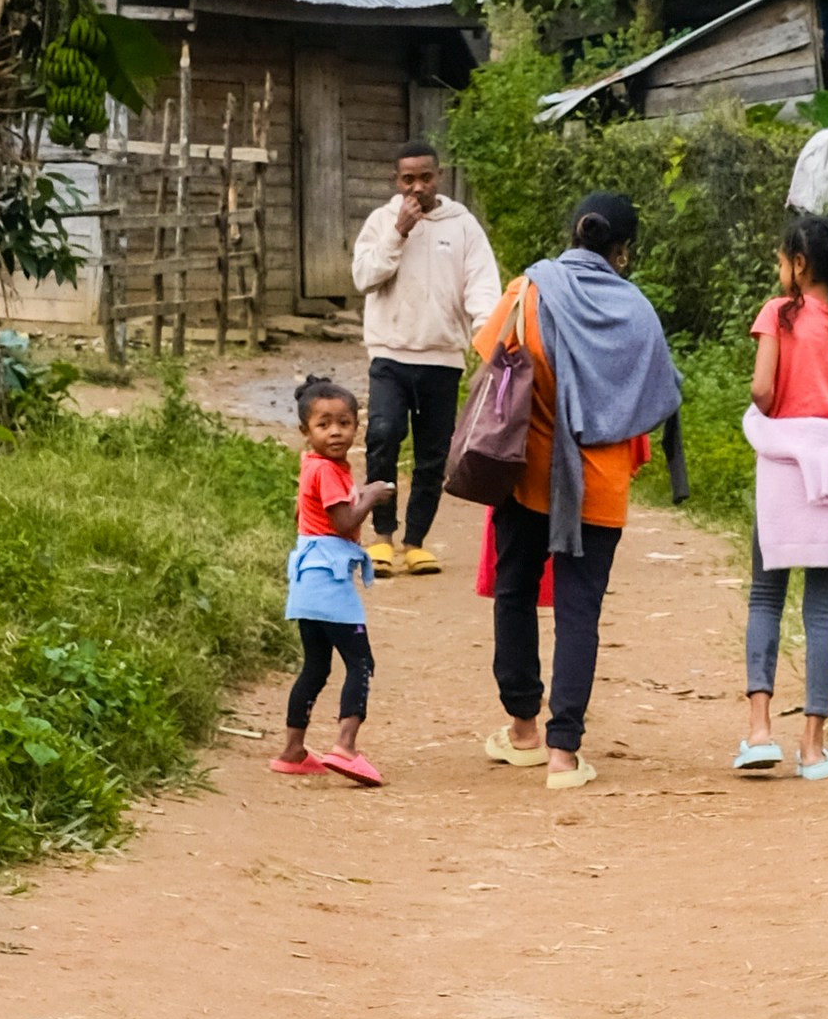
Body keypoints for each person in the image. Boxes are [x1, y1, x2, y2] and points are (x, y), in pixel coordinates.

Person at [470, 192, 686, 795]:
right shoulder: (639, 312)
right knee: (579, 612)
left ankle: (522, 732)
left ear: (573, 233)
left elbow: (489, 355)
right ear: (624, 251)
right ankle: (565, 755)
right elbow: (659, 396)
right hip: (600, 486)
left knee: (514, 593)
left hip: (525, 475)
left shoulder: (529, 291)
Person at [739, 202, 828, 780]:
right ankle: (814, 747)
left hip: (783, 472)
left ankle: (758, 733)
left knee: (765, 598)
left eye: (781, 260)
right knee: (821, 610)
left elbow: (764, 393)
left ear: (799, 265)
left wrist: (766, 397)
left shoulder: (779, 314)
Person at [349, 143, 499, 574]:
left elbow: (482, 287)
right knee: (383, 433)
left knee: (434, 453)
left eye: (426, 177)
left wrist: (485, 338)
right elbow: (364, 277)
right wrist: (398, 232)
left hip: (442, 357)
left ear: (440, 176)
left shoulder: (463, 226)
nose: (418, 187)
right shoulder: (382, 221)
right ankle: (381, 537)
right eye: (408, 179)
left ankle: (415, 542)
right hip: (390, 352)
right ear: (396, 181)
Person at [273, 372, 382, 785]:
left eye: (345, 423)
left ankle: (292, 750)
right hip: (329, 580)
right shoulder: (331, 473)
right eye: (324, 425)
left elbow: (303, 515)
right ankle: (346, 747)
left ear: (357, 424)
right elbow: (344, 520)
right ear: (306, 431)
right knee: (361, 662)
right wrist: (371, 495)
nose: (335, 432)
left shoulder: (311, 465)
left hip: (306, 578)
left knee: (316, 666)